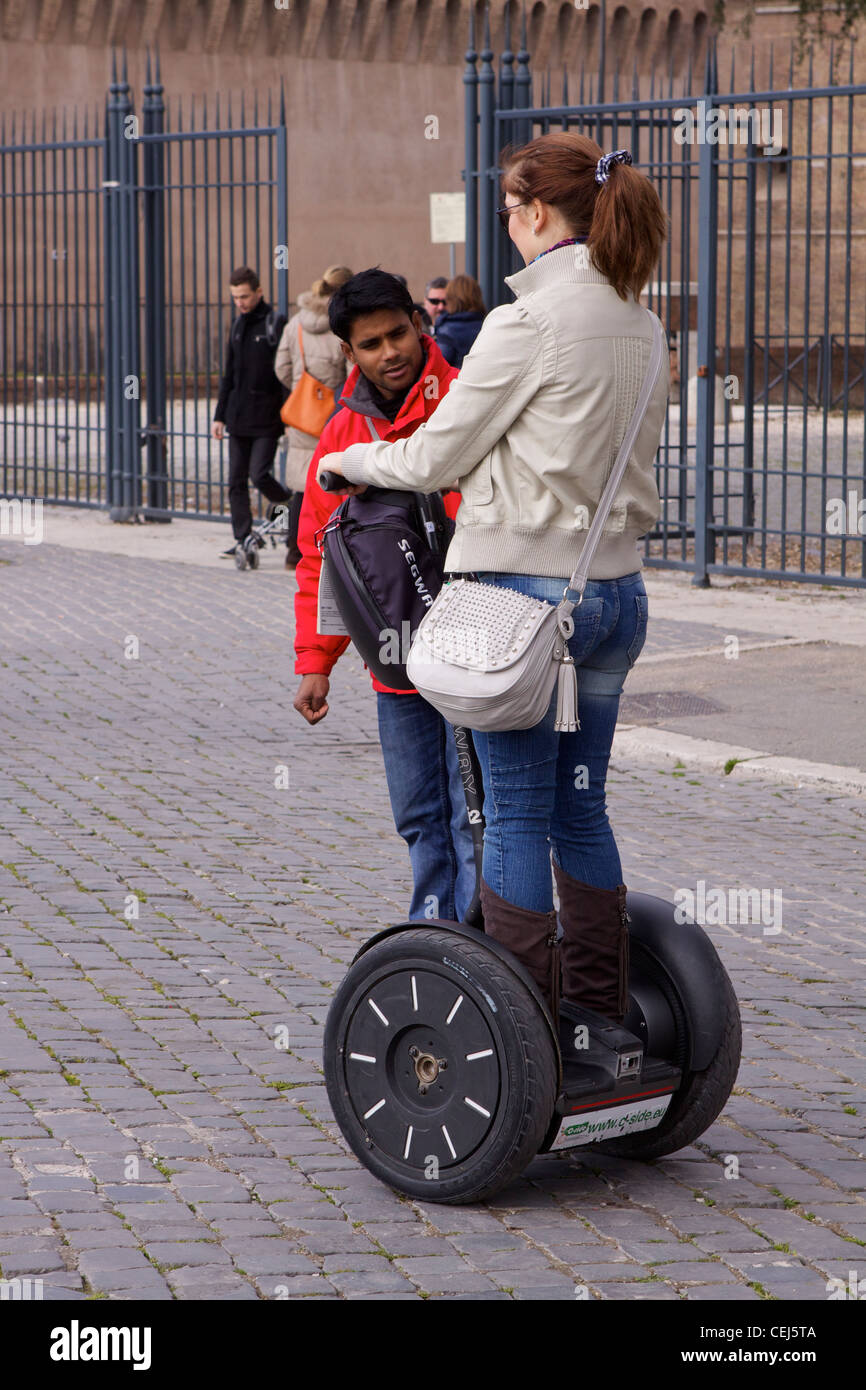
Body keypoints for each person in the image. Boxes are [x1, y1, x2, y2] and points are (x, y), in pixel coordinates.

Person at [317, 133, 670, 1025]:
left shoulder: (530, 321)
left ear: (539, 213)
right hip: (615, 594)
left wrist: (349, 465)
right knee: (580, 808)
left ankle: (521, 1027)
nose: (505, 227)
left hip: (527, 601)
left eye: (510, 211)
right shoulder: (642, 318)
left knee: (513, 815)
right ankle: (593, 1011)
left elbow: (442, 448)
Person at [293, 269, 475, 924]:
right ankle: (434, 943)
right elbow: (323, 555)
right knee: (420, 817)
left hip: (474, 653)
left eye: (398, 333)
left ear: (420, 326)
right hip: (395, 666)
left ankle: (483, 957)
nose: (389, 352)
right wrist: (317, 661)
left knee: (473, 818)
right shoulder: (343, 432)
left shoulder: (466, 400)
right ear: (350, 352)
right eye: (371, 344)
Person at [274, 266, 353, 567]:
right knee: (329, 482)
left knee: (299, 486)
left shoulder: (295, 323)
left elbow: (281, 367)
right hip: (333, 414)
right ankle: (326, 546)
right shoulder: (341, 327)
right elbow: (352, 376)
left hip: (301, 414)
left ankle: (294, 551)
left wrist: (301, 388)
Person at [212, 267, 291, 556]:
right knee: (235, 480)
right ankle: (243, 538)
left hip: (268, 418)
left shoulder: (274, 323)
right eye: (235, 297)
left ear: (259, 292)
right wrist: (219, 415)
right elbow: (229, 375)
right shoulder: (237, 326)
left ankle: (290, 507)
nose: (240, 302)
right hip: (238, 417)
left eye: (244, 296)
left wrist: (288, 416)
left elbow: (285, 374)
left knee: (259, 475)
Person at [434, 274, 486, 368]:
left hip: (457, 380)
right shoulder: (487, 325)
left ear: (451, 299)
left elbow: (438, 367)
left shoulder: (447, 330)